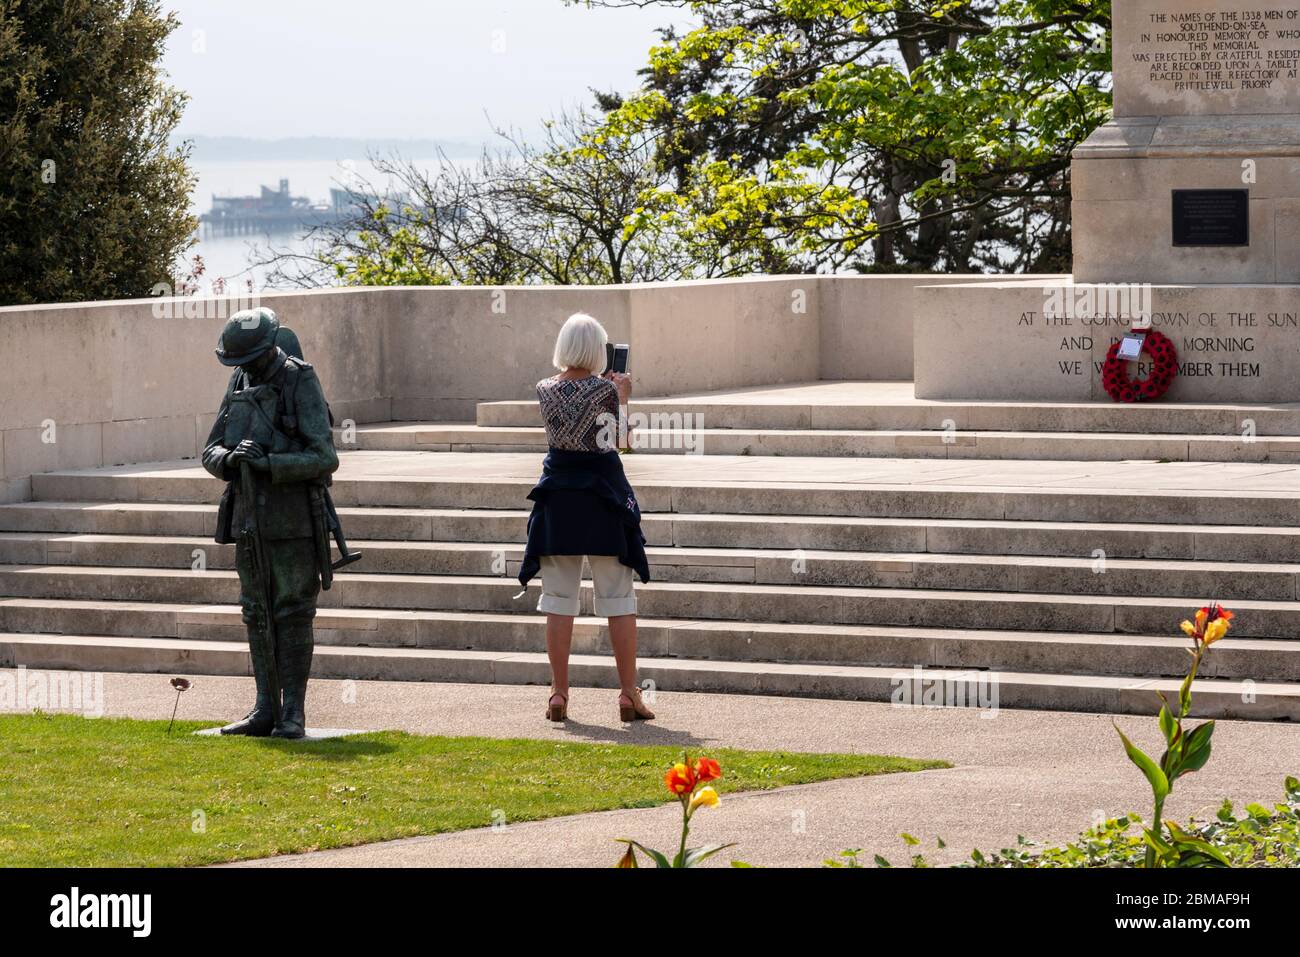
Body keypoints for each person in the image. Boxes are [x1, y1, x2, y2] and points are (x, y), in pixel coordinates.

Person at [202, 307, 340, 738]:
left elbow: (324, 456)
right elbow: (209, 450)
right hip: (248, 518)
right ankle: (264, 707)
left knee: (293, 611)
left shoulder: (300, 379)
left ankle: (293, 712)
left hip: (293, 517)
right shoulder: (240, 380)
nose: (244, 368)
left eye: (249, 359)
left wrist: (270, 462)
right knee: (255, 612)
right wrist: (230, 458)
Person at [518, 313, 655, 723]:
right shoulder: (606, 391)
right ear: (598, 348)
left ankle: (559, 694)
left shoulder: (544, 389)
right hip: (602, 499)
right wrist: (624, 397)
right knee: (618, 599)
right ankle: (629, 695)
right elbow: (624, 442)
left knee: (558, 601)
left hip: (558, 498)